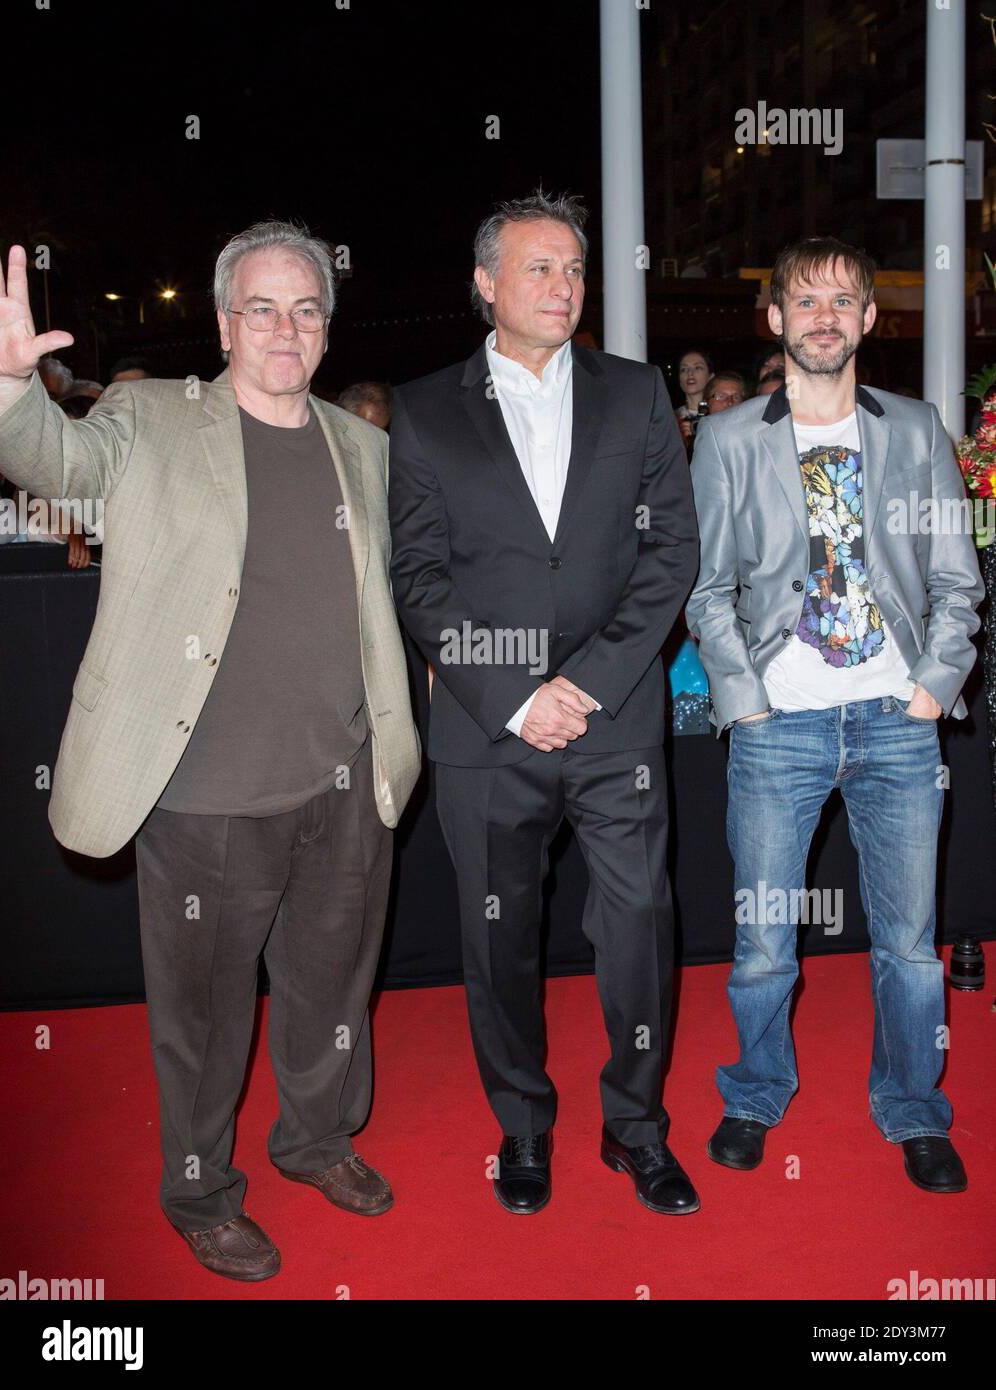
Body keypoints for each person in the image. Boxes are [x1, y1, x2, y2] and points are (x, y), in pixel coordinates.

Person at [0, 220, 421, 1280]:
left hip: (341, 783)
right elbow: (62, 466)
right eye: (262, 307)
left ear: (326, 327)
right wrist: (6, 387)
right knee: (201, 1017)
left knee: (331, 994)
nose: (286, 327)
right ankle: (198, 1188)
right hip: (203, 795)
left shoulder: (360, 443)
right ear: (226, 321)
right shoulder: (152, 416)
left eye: (307, 308)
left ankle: (316, 1140)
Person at [389, 191, 701, 1217]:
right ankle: (522, 1123)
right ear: (485, 284)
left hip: (616, 722)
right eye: (538, 268)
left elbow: (672, 554)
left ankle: (635, 1125)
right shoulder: (425, 409)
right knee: (498, 937)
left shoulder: (634, 392)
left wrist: (587, 682)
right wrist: (518, 697)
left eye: (572, 268)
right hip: (488, 731)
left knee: (640, 925)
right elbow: (418, 578)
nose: (562, 286)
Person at [686, 235, 984, 1194]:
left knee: (908, 943)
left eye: (842, 301)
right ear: (774, 318)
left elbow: (954, 578)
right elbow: (706, 590)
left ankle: (913, 1109)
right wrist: (747, 703)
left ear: (867, 319)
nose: (823, 317)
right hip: (781, 728)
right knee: (766, 940)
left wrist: (936, 683)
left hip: (899, 723)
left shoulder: (914, 428)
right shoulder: (731, 439)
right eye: (803, 301)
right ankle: (756, 1092)